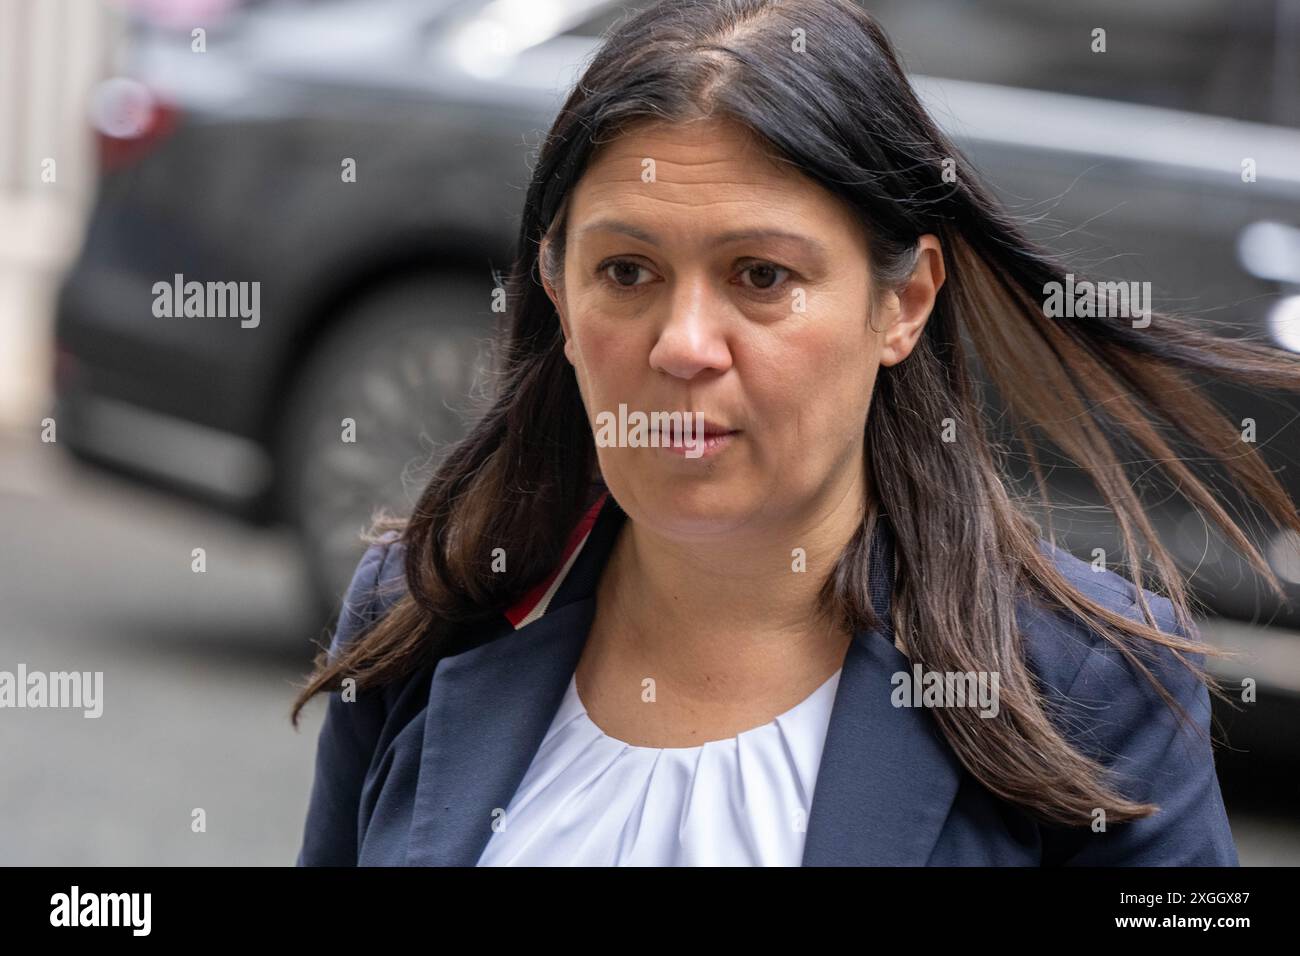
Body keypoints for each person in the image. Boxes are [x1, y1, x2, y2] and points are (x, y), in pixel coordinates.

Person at [291, 0, 1300, 866]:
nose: (684, 344)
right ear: (557, 289)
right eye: (627, 272)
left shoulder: (1090, 685)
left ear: (901, 303)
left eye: (760, 276)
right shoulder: (427, 607)